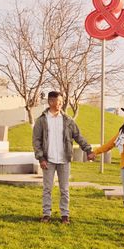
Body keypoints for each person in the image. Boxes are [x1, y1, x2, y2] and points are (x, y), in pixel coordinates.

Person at [33, 91, 95, 224]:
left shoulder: (68, 120)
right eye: (58, 101)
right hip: (48, 160)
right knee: (47, 189)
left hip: (64, 160)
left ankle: (65, 215)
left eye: (61, 101)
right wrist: (41, 158)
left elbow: (78, 136)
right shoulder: (41, 120)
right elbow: (36, 141)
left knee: (64, 189)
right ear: (50, 102)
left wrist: (88, 150)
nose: (60, 104)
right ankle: (46, 214)